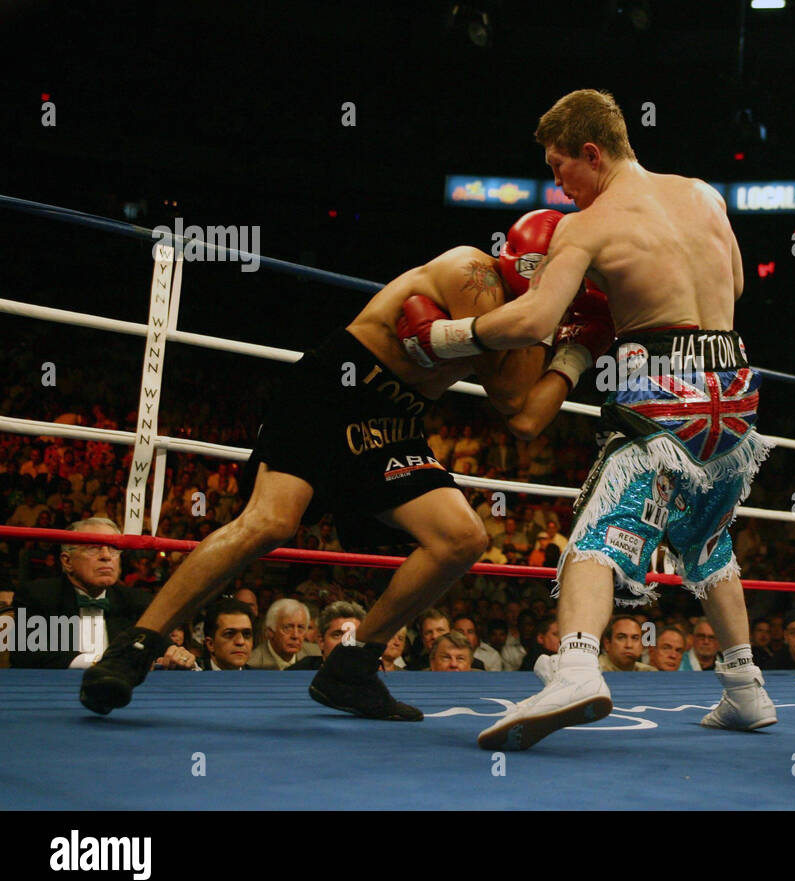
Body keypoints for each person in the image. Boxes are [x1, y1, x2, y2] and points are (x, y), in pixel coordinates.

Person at [79, 218, 611, 719]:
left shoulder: (519, 317)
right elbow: (519, 392)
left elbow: (524, 419)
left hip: (395, 417)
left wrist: (576, 356)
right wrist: (549, 323)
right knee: (269, 523)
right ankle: (136, 647)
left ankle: (352, 666)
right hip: (332, 392)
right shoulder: (473, 274)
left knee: (461, 539)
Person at [417, 90, 777, 749]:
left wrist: (444, 336)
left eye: (559, 167)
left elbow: (530, 321)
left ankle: (578, 665)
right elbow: (739, 284)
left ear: (592, 152)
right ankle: (746, 689)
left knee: (596, 530)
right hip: (737, 382)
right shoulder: (701, 193)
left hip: (667, 378)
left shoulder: (585, 225)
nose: (556, 183)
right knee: (707, 535)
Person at [10, 518, 192, 670]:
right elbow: (26, 656)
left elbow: (162, 648)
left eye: (113, 548)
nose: (106, 556)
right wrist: (99, 662)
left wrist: (177, 655)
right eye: (93, 547)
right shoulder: (38, 595)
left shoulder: (137, 600)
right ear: (67, 562)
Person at [202, 597, 255, 670]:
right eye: (229, 634)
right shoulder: (192, 675)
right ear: (211, 644)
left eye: (246, 634)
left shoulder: (259, 679)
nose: (240, 641)